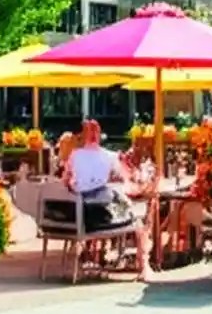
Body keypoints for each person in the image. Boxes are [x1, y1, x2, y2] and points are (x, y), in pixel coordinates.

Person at [59, 120, 147, 281]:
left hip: (77, 216)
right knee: (139, 222)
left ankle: (90, 258)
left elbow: (65, 181)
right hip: (100, 217)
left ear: (82, 136)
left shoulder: (74, 155)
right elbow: (129, 178)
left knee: (116, 202)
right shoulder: (109, 156)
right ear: (99, 136)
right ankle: (144, 268)